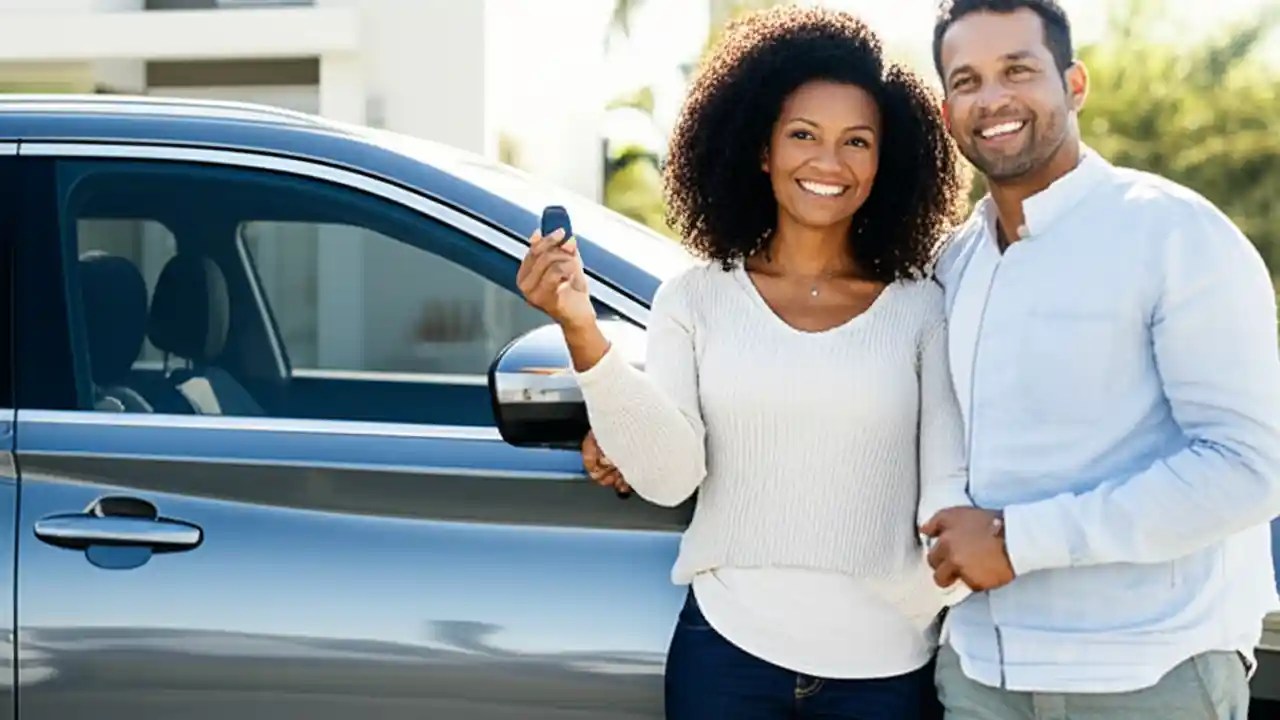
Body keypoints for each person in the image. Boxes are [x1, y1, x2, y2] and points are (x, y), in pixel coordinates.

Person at [519, 7, 969, 719]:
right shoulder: (694, 299)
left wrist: (912, 600)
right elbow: (669, 476)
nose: (829, 162)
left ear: (885, 162)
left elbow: (949, 493)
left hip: (885, 674)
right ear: (761, 150)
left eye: (857, 141)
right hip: (727, 661)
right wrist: (580, 329)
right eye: (803, 134)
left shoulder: (923, 310)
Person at [920, 1, 1280, 718]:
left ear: (1074, 84)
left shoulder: (1174, 234)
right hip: (978, 679)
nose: (992, 99)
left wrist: (1019, 540)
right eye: (967, 81)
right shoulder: (952, 263)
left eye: (1018, 70)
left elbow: (1252, 467)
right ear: (946, 111)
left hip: (1151, 677)